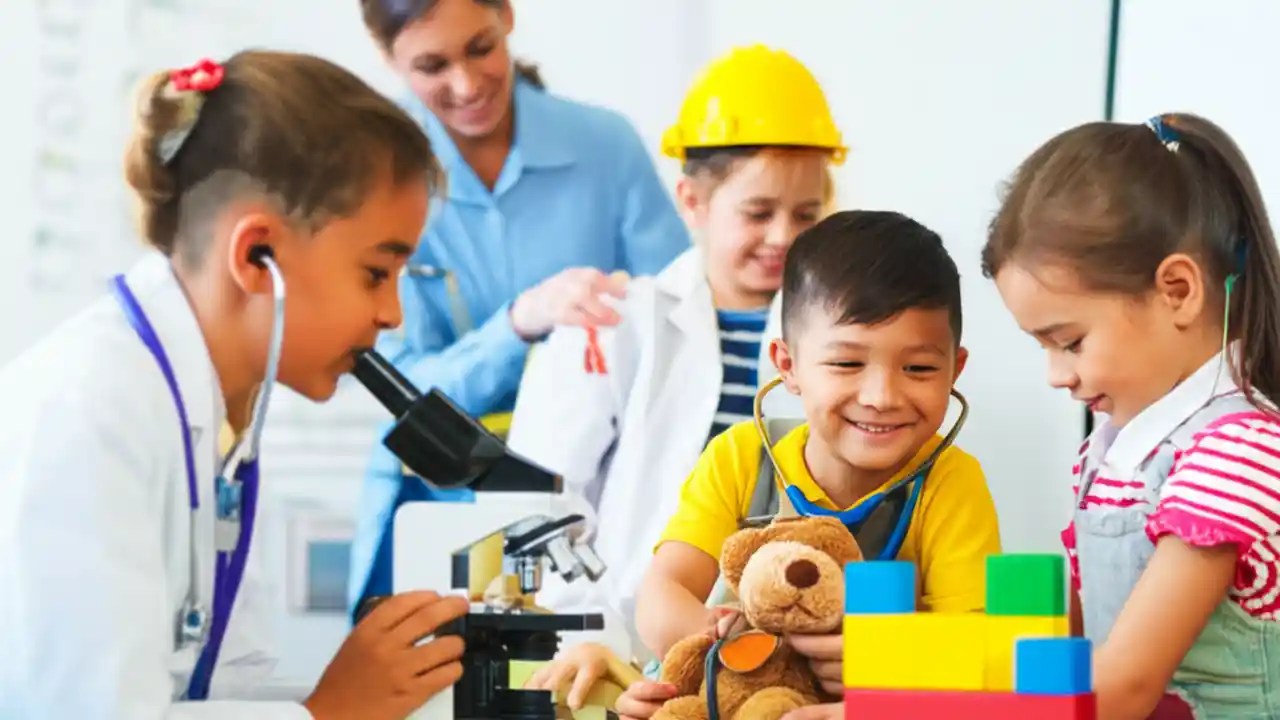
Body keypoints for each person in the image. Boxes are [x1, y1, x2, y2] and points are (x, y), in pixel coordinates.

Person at [0, 52, 469, 720]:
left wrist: (367, 685)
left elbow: (221, 683)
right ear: (256, 256)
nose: (392, 315)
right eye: (375, 273)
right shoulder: (87, 417)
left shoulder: (216, 420)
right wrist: (334, 711)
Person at [538, 210, 1004, 717]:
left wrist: (888, 656)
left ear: (954, 369)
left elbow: (978, 640)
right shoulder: (741, 457)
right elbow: (663, 593)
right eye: (847, 363)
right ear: (788, 365)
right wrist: (743, 651)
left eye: (918, 368)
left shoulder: (950, 480)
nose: (881, 396)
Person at [505, 44, 842, 682]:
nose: (783, 238)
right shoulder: (615, 325)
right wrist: (588, 632)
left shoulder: (840, 344)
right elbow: (537, 501)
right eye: (758, 212)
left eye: (806, 214)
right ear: (692, 202)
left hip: (789, 664)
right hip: (623, 656)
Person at [349, 0, 691, 617]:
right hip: (432, 496)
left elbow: (685, 318)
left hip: (592, 496)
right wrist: (519, 323)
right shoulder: (369, 173)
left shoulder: (605, 150)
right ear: (388, 59)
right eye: (431, 65)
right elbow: (398, 386)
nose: (466, 84)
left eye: (480, 47)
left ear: (507, 16)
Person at [983, 113, 1280, 720]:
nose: (1056, 375)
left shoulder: (1239, 450)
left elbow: (1123, 689)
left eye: (1069, 341)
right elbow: (1060, 648)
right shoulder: (1111, 451)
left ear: (1177, 290)